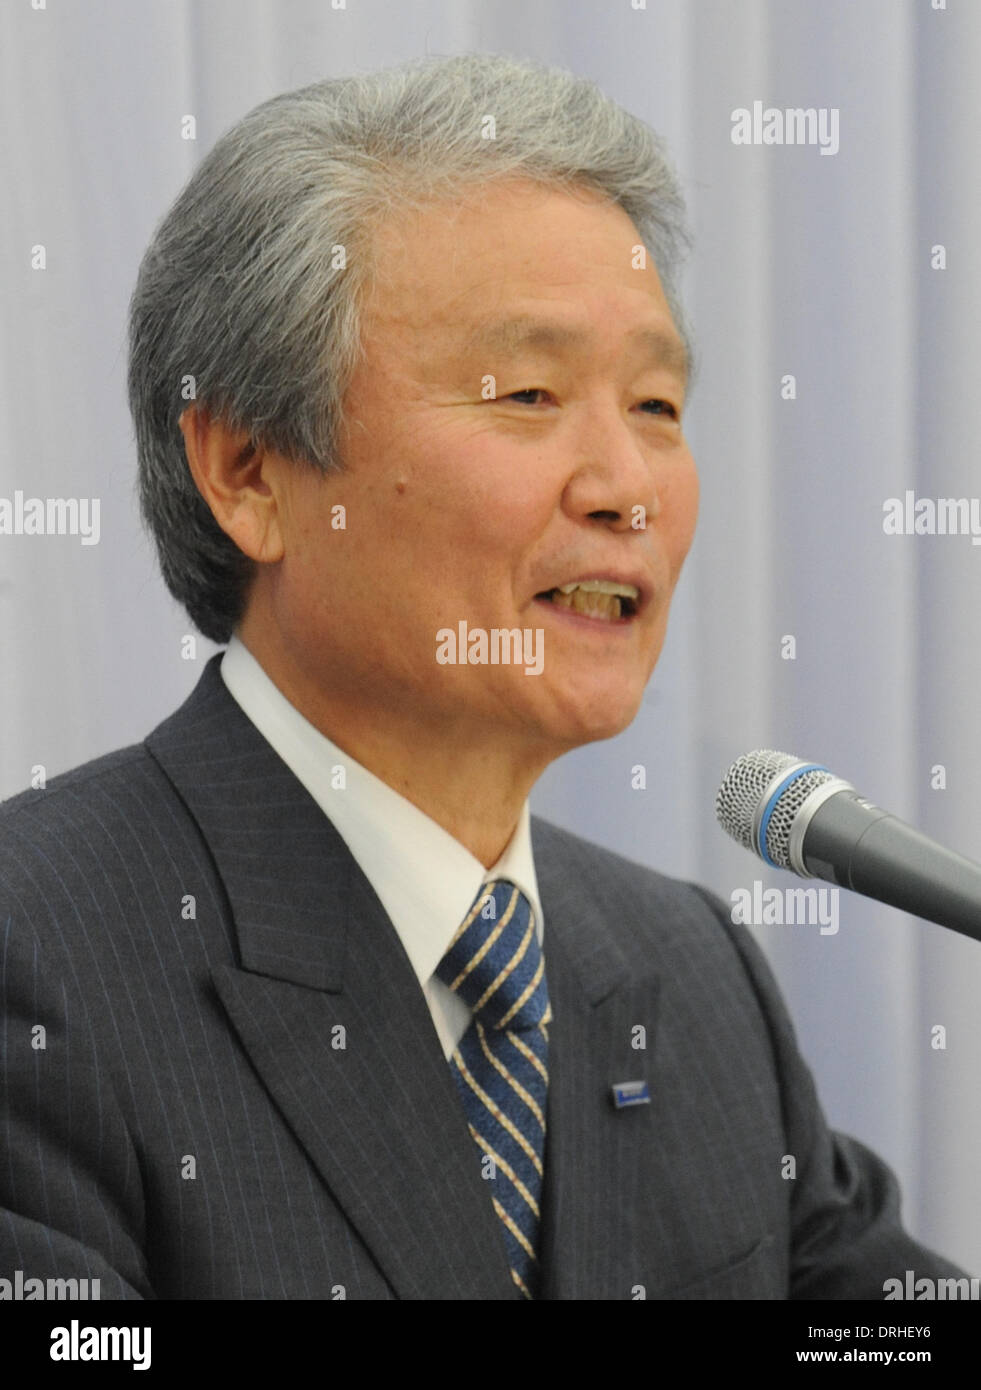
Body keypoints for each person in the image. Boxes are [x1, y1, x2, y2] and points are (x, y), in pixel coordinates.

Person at [0, 52, 965, 1301]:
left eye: (660, 405)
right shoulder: (40, 954)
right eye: (528, 392)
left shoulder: (694, 972)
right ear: (246, 470)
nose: (625, 487)